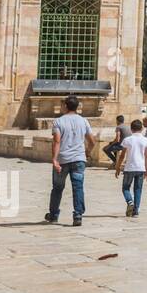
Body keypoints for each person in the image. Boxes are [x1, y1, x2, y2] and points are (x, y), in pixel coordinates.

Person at [45, 95, 96, 226]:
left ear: (65, 106)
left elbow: (57, 141)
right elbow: (92, 141)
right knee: (78, 187)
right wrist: (87, 152)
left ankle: (53, 215)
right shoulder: (83, 121)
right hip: (79, 159)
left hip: (63, 159)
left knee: (57, 188)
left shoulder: (58, 121)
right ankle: (78, 215)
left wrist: (54, 159)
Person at [115, 119, 147, 217]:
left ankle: (130, 201)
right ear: (142, 128)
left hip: (129, 168)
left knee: (125, 188)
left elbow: (122, 155)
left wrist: (118, 167)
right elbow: (146, 156)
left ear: (131, 129)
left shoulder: (127, 140)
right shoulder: (145, 140)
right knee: (138, 189)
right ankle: (135, 211)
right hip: (141, 168)